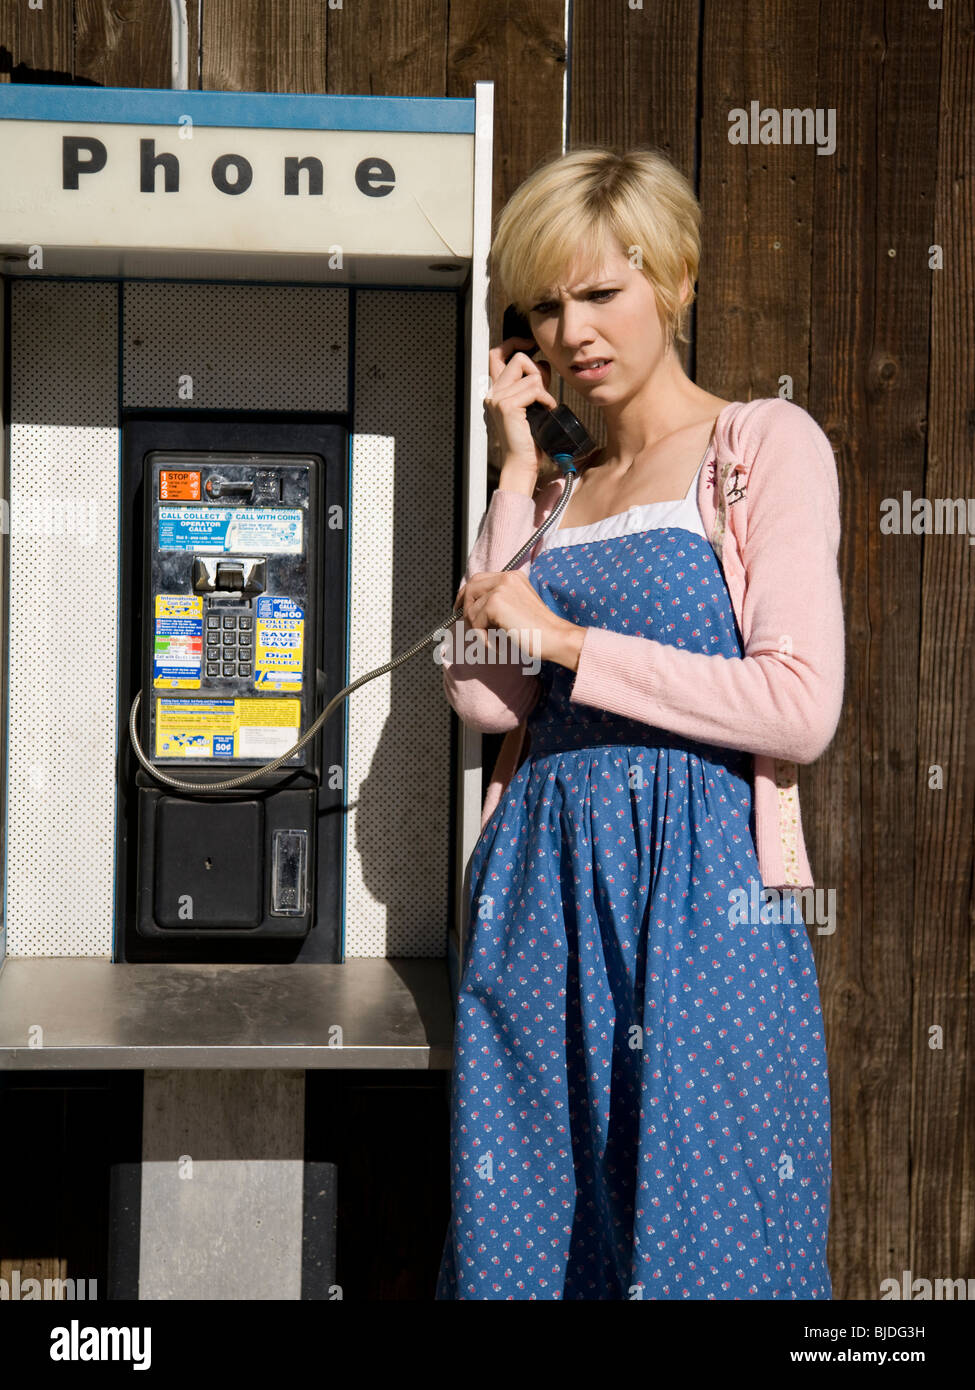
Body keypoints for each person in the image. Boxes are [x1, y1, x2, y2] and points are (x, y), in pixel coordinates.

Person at [434, 146, 844, 1300]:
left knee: (713, 1232)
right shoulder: (560, 490)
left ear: (672, 280)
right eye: (547, 307)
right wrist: (514, 477)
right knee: (532, 1227)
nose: (572, 331)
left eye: (601, 293)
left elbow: (799, 703)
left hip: (702, 889)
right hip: (541, 895)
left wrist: (565, 643)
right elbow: (479, 694)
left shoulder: (758, 446)